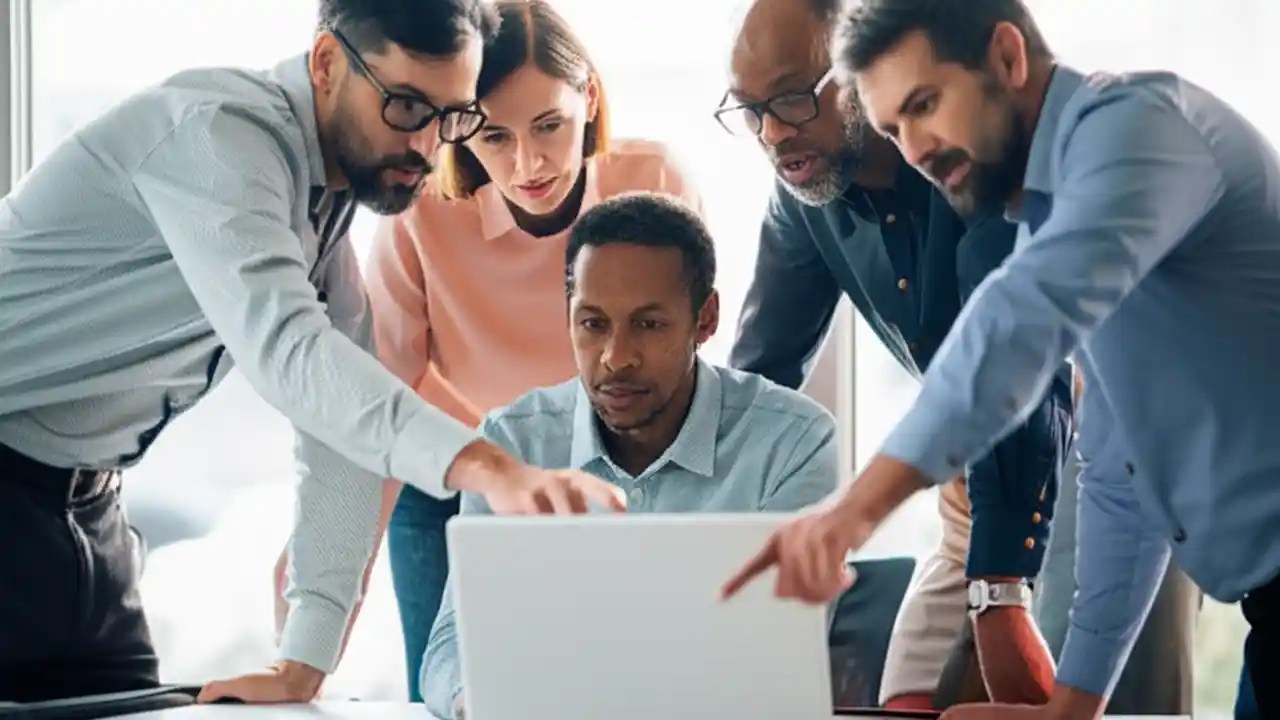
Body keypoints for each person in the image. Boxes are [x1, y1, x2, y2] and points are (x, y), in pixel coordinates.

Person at [0, 0, 627, 706]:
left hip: (84, 511)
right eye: (406, 107)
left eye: (450, 118)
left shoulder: (323, 207)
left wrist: (303, 660)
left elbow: (340, 434)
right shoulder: (217, 138)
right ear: (327, 63)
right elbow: (292, 352)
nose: (426, 148)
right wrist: (490, 467)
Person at [725, 0, 1280, 718]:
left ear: (1008, 58)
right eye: (894, 128)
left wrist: (849, 515)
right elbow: (1122, 475)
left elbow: (1016, 323)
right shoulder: (1060, 217)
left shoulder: (1137, 132)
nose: (915, 150)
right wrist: (1071, 707)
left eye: (925, 105)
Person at [268, 0, 703, 701]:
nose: (527, 163)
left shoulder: (653, 181)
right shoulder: (422, 216)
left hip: (612, 476)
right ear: (459, 126)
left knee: (617, 691)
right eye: (494, 135)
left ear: (590, 99)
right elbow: (380, 405)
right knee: (451, 690)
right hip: (455, 478)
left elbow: (687, 370)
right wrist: (329, 569)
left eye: (550, 125)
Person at [720, 0, 1070, 708]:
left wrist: (1000, 585)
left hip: (1087, 465)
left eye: (791, 98)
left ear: (861, 66)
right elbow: (757, 380)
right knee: (904, 701)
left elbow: (1015, 363)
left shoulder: (968, 155)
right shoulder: (804, 199)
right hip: (971, 481)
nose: (772, 133)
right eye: (749, 111)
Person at [422, 192, 840, 720]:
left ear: (705, 319)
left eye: (648, 324)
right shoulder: (513, 444)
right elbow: (451, 647)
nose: (616, 358)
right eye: (593, 324)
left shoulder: (794, 443)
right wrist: (477, 703)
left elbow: (779, 659)